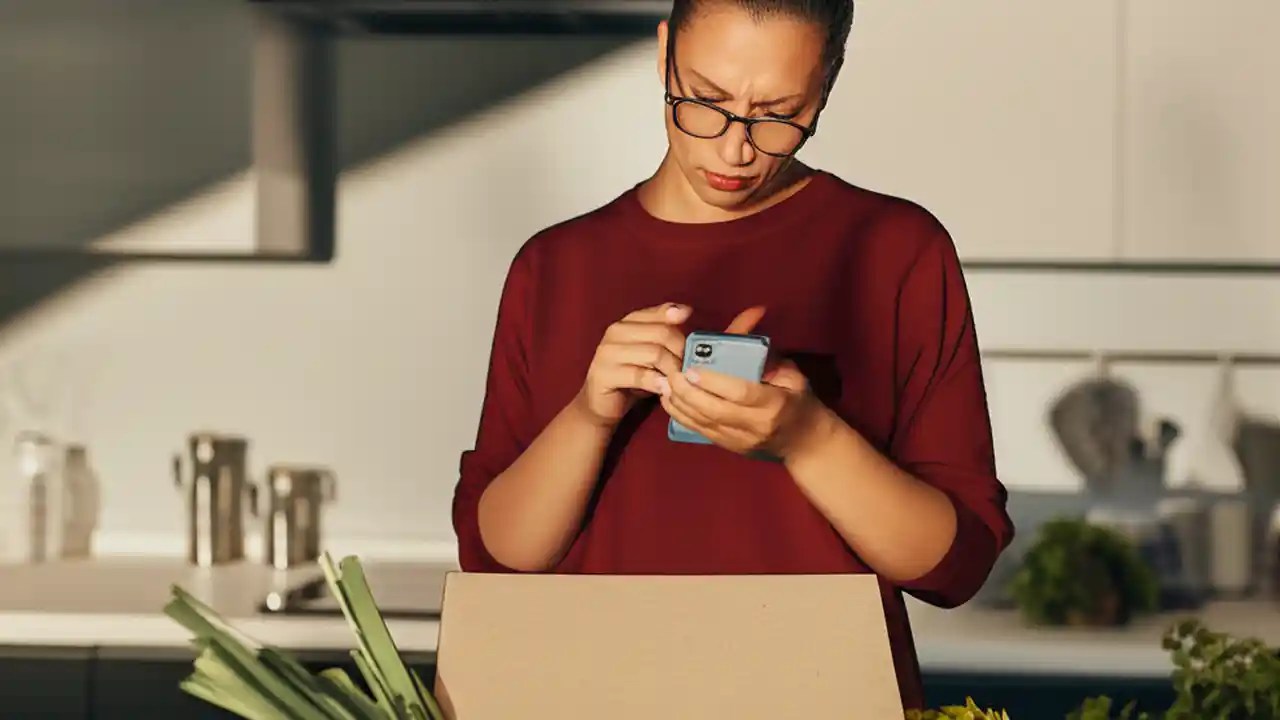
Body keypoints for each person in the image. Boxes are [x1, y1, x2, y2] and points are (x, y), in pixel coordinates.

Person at [451, 0, 1014, 710]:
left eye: (777, 112)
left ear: (828, 83)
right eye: (705, 101)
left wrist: (809, 439)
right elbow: (497, 557)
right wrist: (590, 416)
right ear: (664, 57)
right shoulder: (555, 264)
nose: (735, 149)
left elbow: (956, 568)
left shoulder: (897, 250)